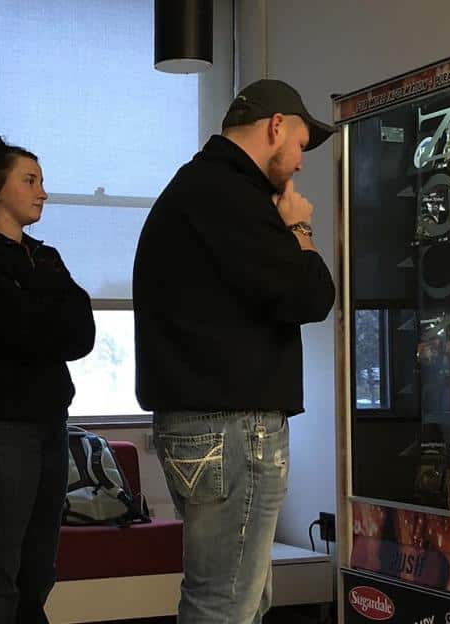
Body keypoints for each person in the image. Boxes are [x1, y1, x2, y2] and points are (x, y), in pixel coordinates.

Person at [132, 79, 337, 623]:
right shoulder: (231, 196)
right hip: (232, 427)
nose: (300, 163)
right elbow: (311, 295)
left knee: (237, 598)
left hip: (203, 423)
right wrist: (300, 226)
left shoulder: (198, 188)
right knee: (225, 605)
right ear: (276, 126)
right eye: (300, 145)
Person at [0, 133, 95, 623]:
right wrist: (44, 312)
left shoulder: (45, 256)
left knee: (38, 566)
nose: (42, 192)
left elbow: (83, 332)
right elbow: (20, 328)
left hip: (50, 420)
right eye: (29, 181)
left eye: (41, 181)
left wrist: (34, 309)